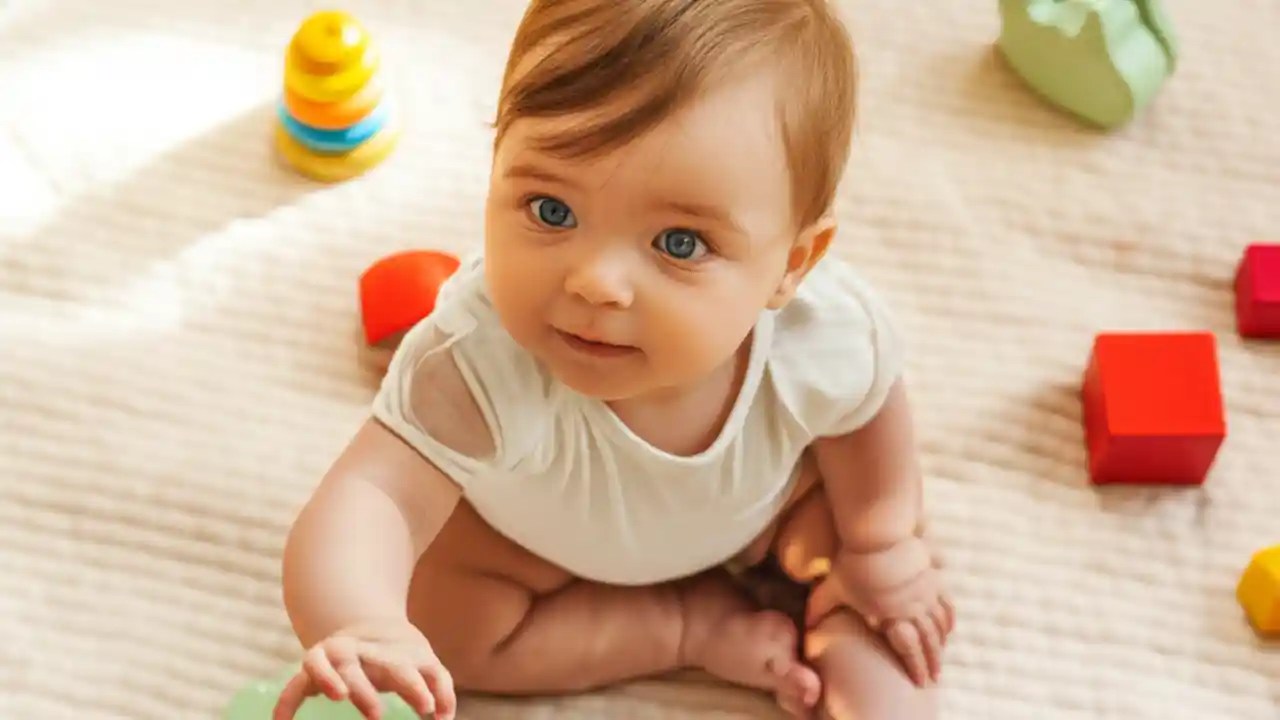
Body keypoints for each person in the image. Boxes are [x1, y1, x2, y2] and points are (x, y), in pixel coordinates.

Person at [274, 1, 954, 718]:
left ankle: (847, 611)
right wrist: (361, 619)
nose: (595, 281)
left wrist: (882, 540)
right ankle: (683, 626)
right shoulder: (477, 358)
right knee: (444, 622)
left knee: (857, 548)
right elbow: (371, 496)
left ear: (792, 264)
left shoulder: (821, 337)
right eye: (551, 210)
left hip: (761, 512)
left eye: (680, 243)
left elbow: (869, 414)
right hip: (536, 537)